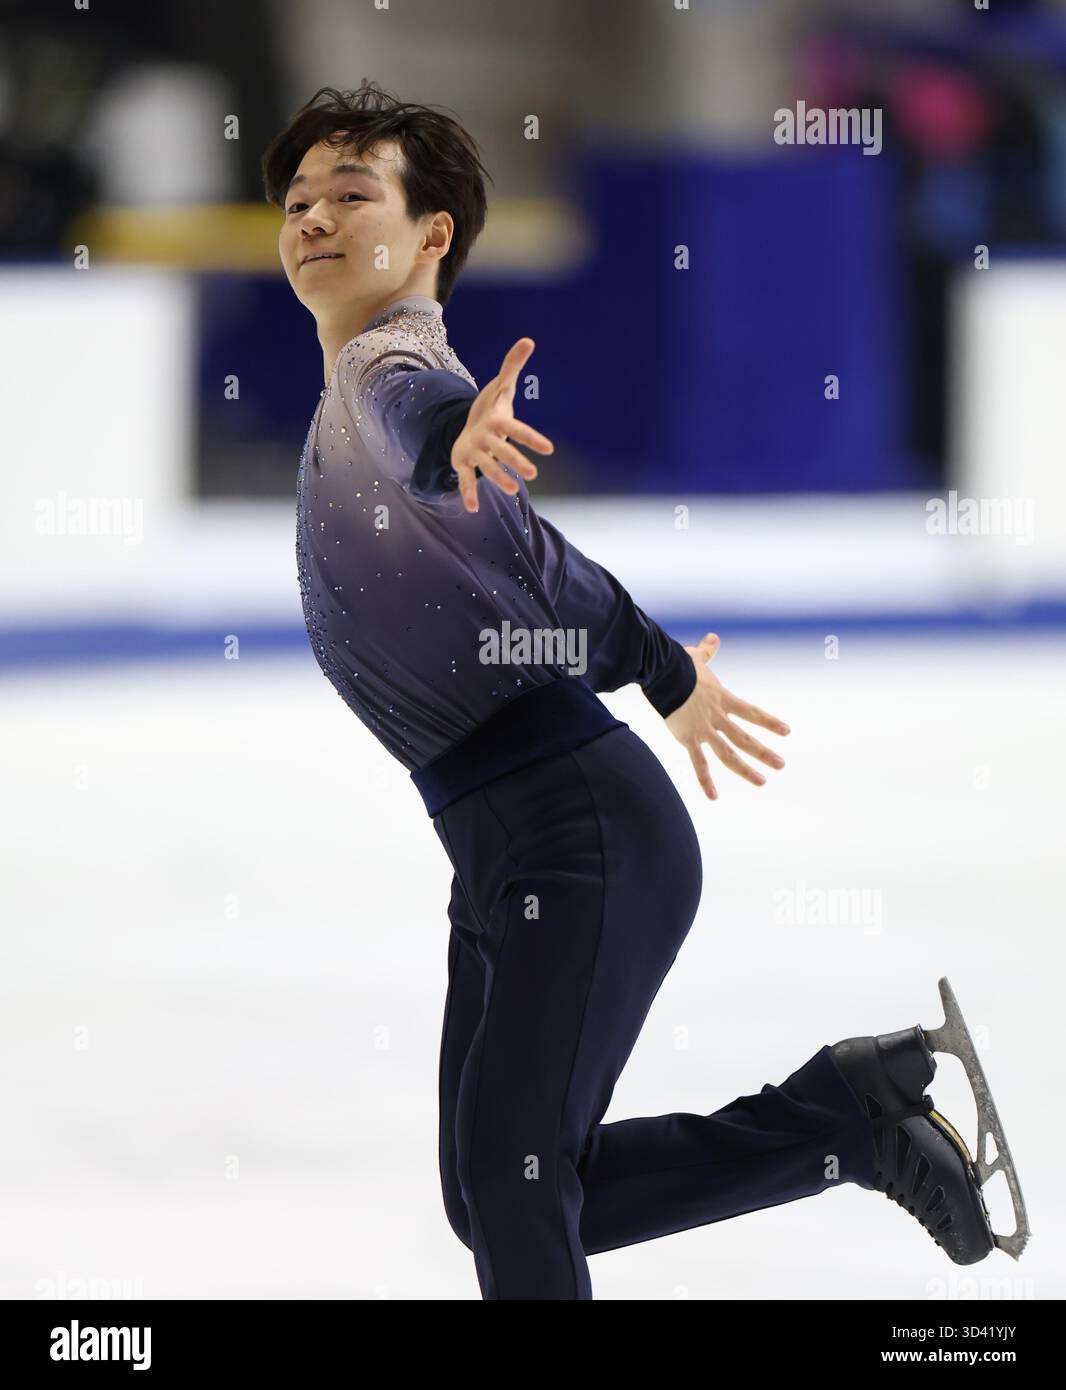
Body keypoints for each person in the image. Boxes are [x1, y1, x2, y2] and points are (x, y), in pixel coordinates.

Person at [261, 81, 1016, 1299]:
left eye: (353, 195)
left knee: (513, 1184)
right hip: (514, 839)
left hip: (571, 829)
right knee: (499, 1190)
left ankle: (850, 1123)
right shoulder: (359, 396)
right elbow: (548, 571)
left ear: (432, 234)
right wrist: (658, 671)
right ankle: (846, 1123)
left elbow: (433, 425)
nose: (313, 218)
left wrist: (459, 440)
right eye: (298, 199)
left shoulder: (388, 377)